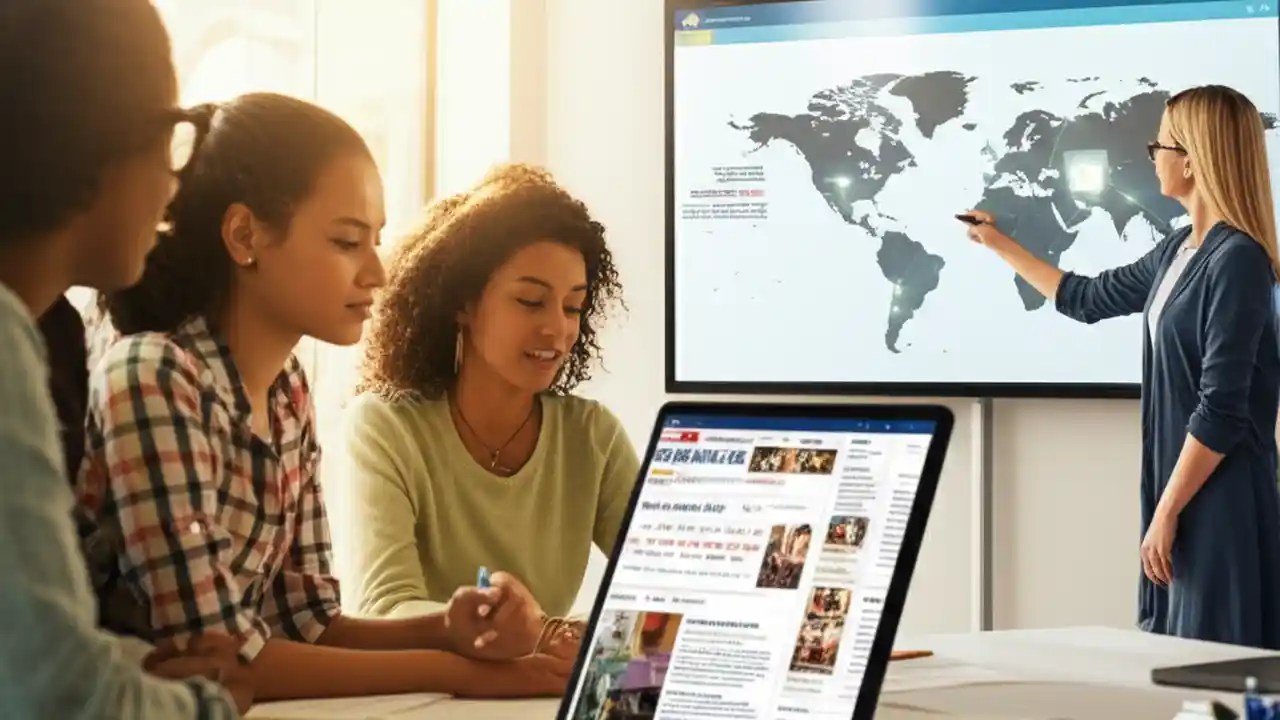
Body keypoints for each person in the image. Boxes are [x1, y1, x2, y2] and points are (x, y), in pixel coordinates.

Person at [76, 94, 575, 701]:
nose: (378, 272)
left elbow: (306, 623)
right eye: (347, 242)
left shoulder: (287, 393)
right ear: (244, 234)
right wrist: (464, 674)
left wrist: (448, 630)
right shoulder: (153, 378)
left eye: (375, 241)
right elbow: (220, 655)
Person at [0, 0, 251, 716]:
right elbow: (57, 696)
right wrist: (212, 703)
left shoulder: (51, 334)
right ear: (97, 141)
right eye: (172, 133)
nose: (175, 185)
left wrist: (133, 665)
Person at [963, 84, 1280, 648]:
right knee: (1174, 657)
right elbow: (1083, 298)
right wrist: (996, 243)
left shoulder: (1239, 261)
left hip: (1218, 497)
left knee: (1212, 670)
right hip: (1178, 492)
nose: (1150, 154)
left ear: (1190, 157)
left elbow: (1222, 410)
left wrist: (1167, 511)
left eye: (1158, 143)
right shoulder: (1179, 249)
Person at [332, 163, 637, 627]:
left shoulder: (592, 437)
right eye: (530, 301)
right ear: (462, 303)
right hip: (418, 696)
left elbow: (671, 585)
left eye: (573, 306)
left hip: (535, 696)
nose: (557, 327)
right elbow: (384, 607)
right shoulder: (383, 428)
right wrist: (546, 634)